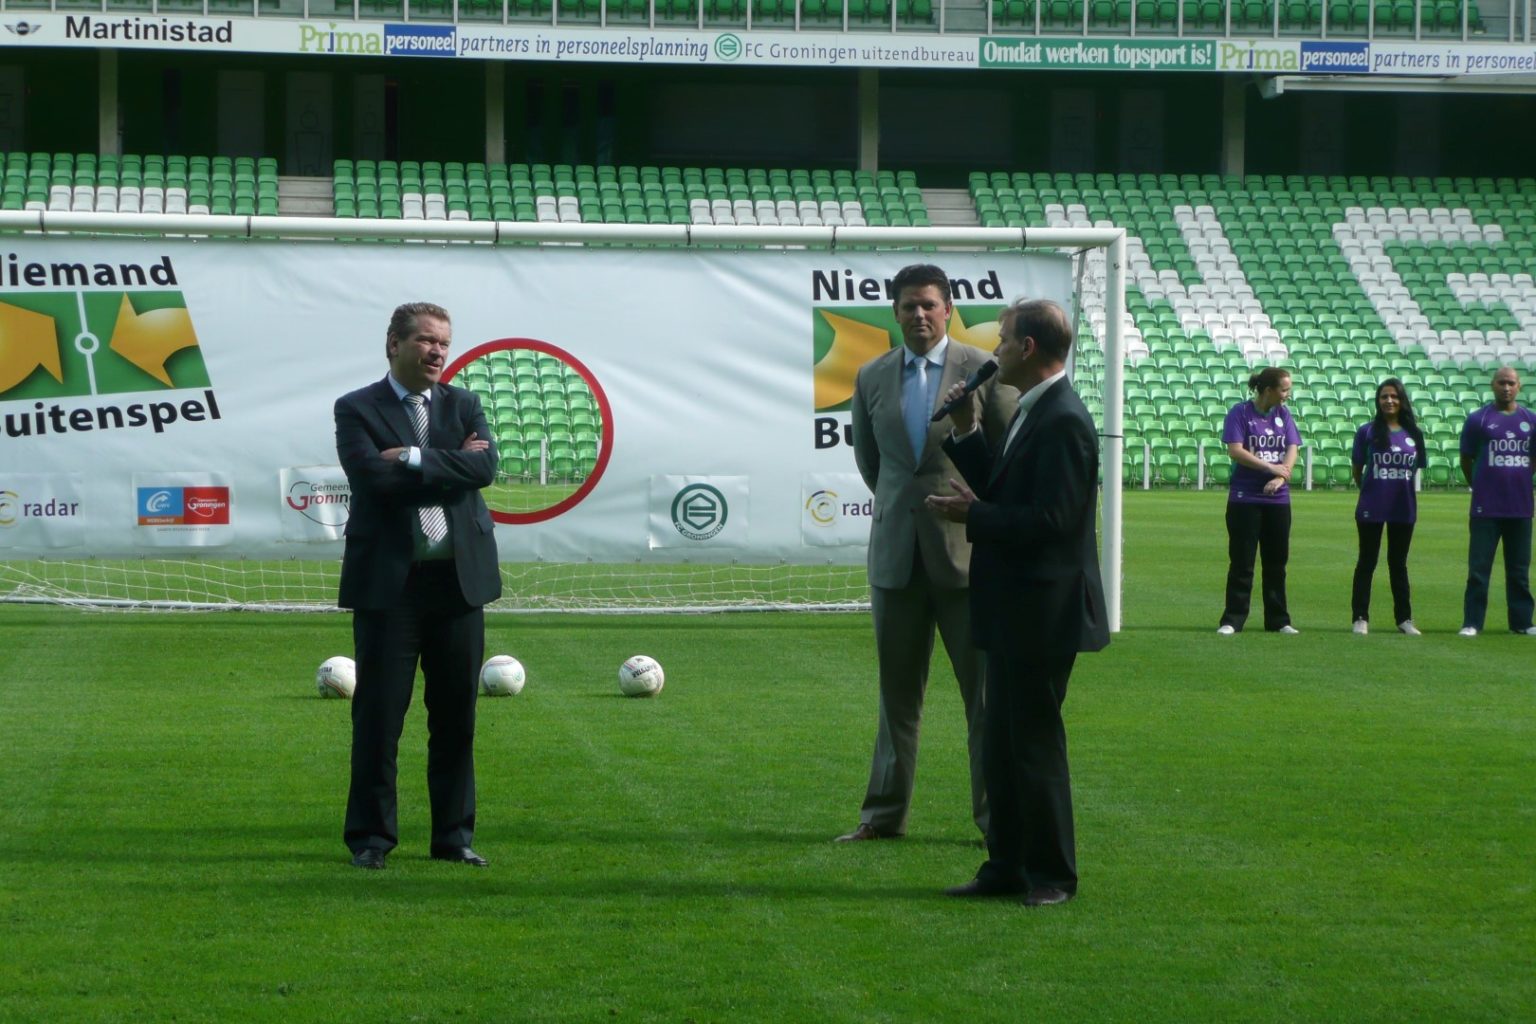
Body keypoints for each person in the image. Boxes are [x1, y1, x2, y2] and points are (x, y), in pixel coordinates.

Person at [927, 298, 1109, 907]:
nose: (996, 350)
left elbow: (1053, 520)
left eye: (1003, 339)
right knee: (1001, 744)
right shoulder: (1036, 410)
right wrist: (965, 430)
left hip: (1043, 612)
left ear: (1028, 348)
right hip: (1014, 607)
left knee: (1033, 743)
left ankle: (1053, 875)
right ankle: (1005, 865)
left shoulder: (1064, 419)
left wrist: (973, 516)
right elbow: (1007, 492)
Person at [838, 263, 1017, 844]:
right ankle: (882, 817)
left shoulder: (984, 369)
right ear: (894, 312)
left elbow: (1004, 457)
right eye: (909, 305)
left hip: (969, 559)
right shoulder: (871, 375)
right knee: (896, 699)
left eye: (929, 305)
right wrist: (905, 510)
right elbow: (873, 465)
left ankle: (996, 823)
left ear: (948, 310)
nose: (919, 314)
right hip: (896, 558)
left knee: (984, 701)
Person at [335, 302, 502, 869]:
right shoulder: (356, 407)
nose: (437, 352)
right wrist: (450, 467)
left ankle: (453, 838)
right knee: (379, 719)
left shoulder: (464, 404)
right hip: (391, 588)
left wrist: (410, 457)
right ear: (394, 344)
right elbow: (372, 480)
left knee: (456, 720)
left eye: (444, 343)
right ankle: (371, 839)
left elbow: (484, 471)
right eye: (427, 341)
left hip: (458, 586)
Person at [1217, 367, 1301, 635]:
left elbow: (1292, 448)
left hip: (1278, 500)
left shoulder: (1283, 415)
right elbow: (1235, 451)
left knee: (1277, 563)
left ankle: (1278, 620)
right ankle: (1233, 619)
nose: (1287, 395)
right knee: (1242, 562)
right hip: (1245, 498)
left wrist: (1281, 477)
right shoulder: (1240, 413)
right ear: (1268, 390)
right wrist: (1270, 467)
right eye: (1284, 390)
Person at [1457, 366, 1536, 637]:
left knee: (1519, 570)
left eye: (1511, 383)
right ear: (1492, 385)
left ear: (1519, 386)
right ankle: (1472, 622)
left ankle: (1522, 622)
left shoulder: (1531, 420)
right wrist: (1479, 485)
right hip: (1485, 508)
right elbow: (1466, 459)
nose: (1506, 387)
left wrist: (1520, 478)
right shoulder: (1478, 419)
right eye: (1501, 382)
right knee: (1479, 570)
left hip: (1520, 507)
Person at [1350, 378, 1427, 636]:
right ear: (1378, 400)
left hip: (1403, 506)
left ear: (1402, 400)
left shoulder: (1414, 434)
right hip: (1371, 505)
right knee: (1367, 561)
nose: (1389, 401)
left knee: (1398, 564)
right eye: (1384, 396)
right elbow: (1358, 470)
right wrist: (1373, 489)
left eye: (1394, 396)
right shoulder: (1367, 431)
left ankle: (1404, 619)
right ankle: (1360, 617)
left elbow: (1414, 469)